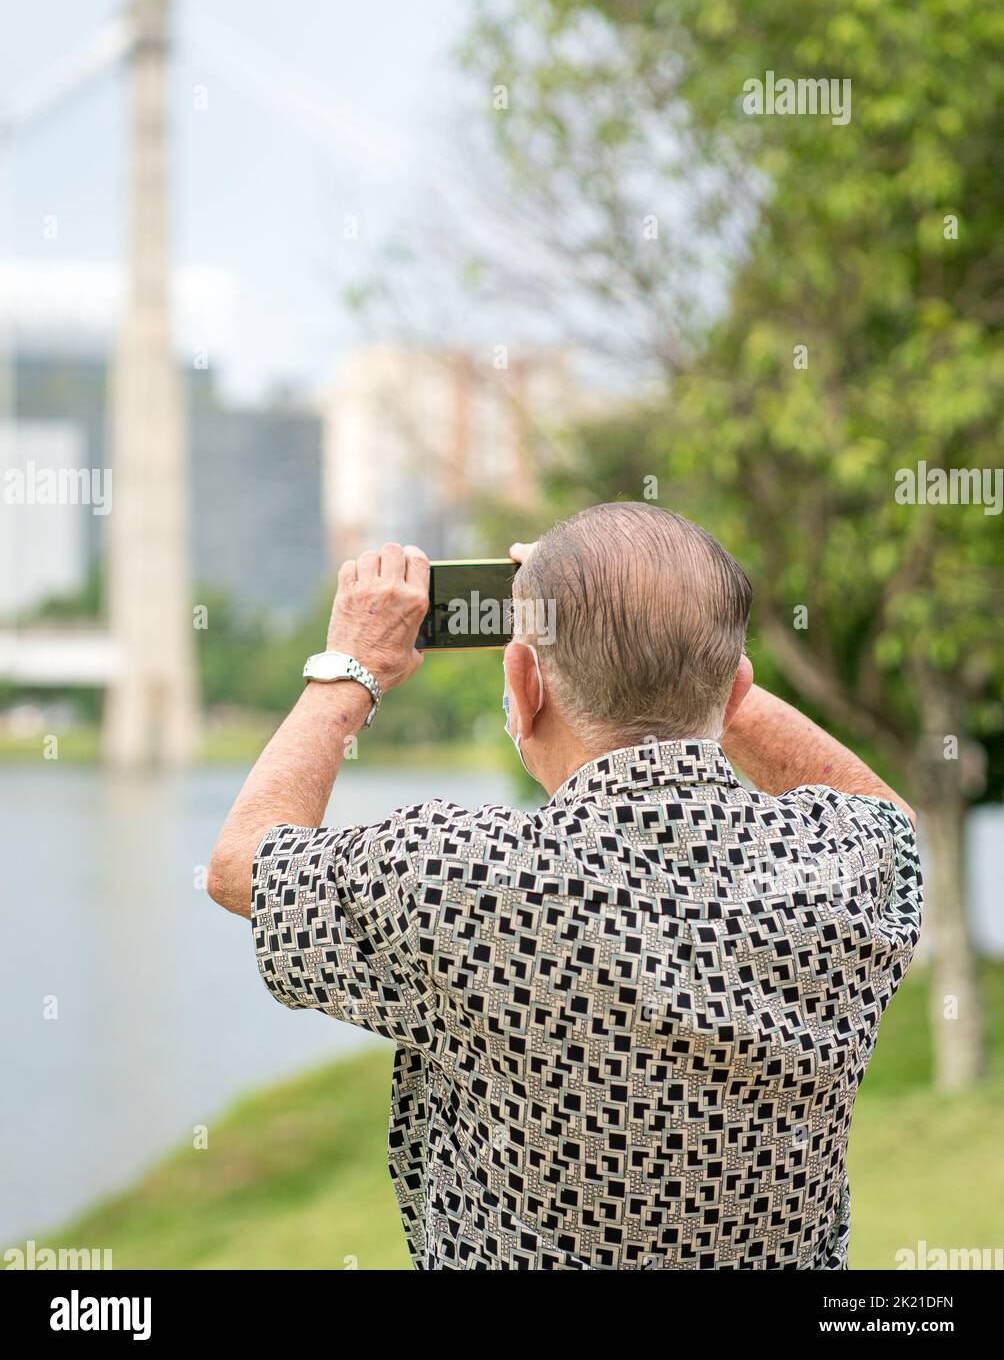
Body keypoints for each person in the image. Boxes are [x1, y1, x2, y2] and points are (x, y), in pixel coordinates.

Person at [207, 501, 922, 1270]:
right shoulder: (841, 864)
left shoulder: (462, 878)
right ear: (740, 688)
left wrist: (351, 666)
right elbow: (886, 814)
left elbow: (243, 863)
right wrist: (701, 674)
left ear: (524, 683)